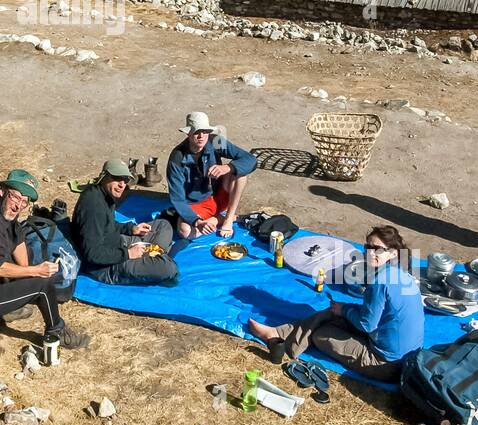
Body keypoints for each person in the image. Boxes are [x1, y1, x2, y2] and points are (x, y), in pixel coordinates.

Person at [247, 225, 424, 382]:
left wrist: (345, 311)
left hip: (386, 365)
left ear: (393, 253)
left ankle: (280, 338)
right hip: (406, 354)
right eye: (368, 247)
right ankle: (278, 333)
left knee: (321, 335)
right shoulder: (404, 274)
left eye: (377, 249)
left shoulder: (381, 281)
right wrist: (344, 310)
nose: (370, 253)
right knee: (333, 311)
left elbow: (366, 325)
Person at [0, 170, 90, 349]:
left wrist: (27, 274)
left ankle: (11, 305)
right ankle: (57, 332)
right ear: (2, 191)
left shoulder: (0, 207)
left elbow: (18, 239)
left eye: (24, 201)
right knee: (43, 286)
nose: (18, 206)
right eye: (15, 197)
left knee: (31, 264)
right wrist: (36, 272)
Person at [72, 159, 179, 286]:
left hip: (118, 243)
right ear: (104, 176)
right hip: (107, 266)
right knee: (169, 268)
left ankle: (154, 256)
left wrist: (131, 229)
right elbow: (92, 254)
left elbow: (107, 225)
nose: (122, 184)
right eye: (117, 178)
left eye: (125, 180)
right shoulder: (93, 206)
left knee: (163, 225)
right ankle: (155, 260)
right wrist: (128, 253)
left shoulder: (104, 194)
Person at [166, 111, 257, 240]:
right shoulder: (177, 158)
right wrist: (197, 222)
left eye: (205, 131)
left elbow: (250, 159)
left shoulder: (215, 141)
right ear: (188, 133)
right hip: (197, 204)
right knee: (185, 231)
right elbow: (177, 199)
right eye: (196, 132)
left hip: (218, 195)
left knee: (240, 173)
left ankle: (228, 219)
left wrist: (228, 167)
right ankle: (223, 219)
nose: (201, 136)